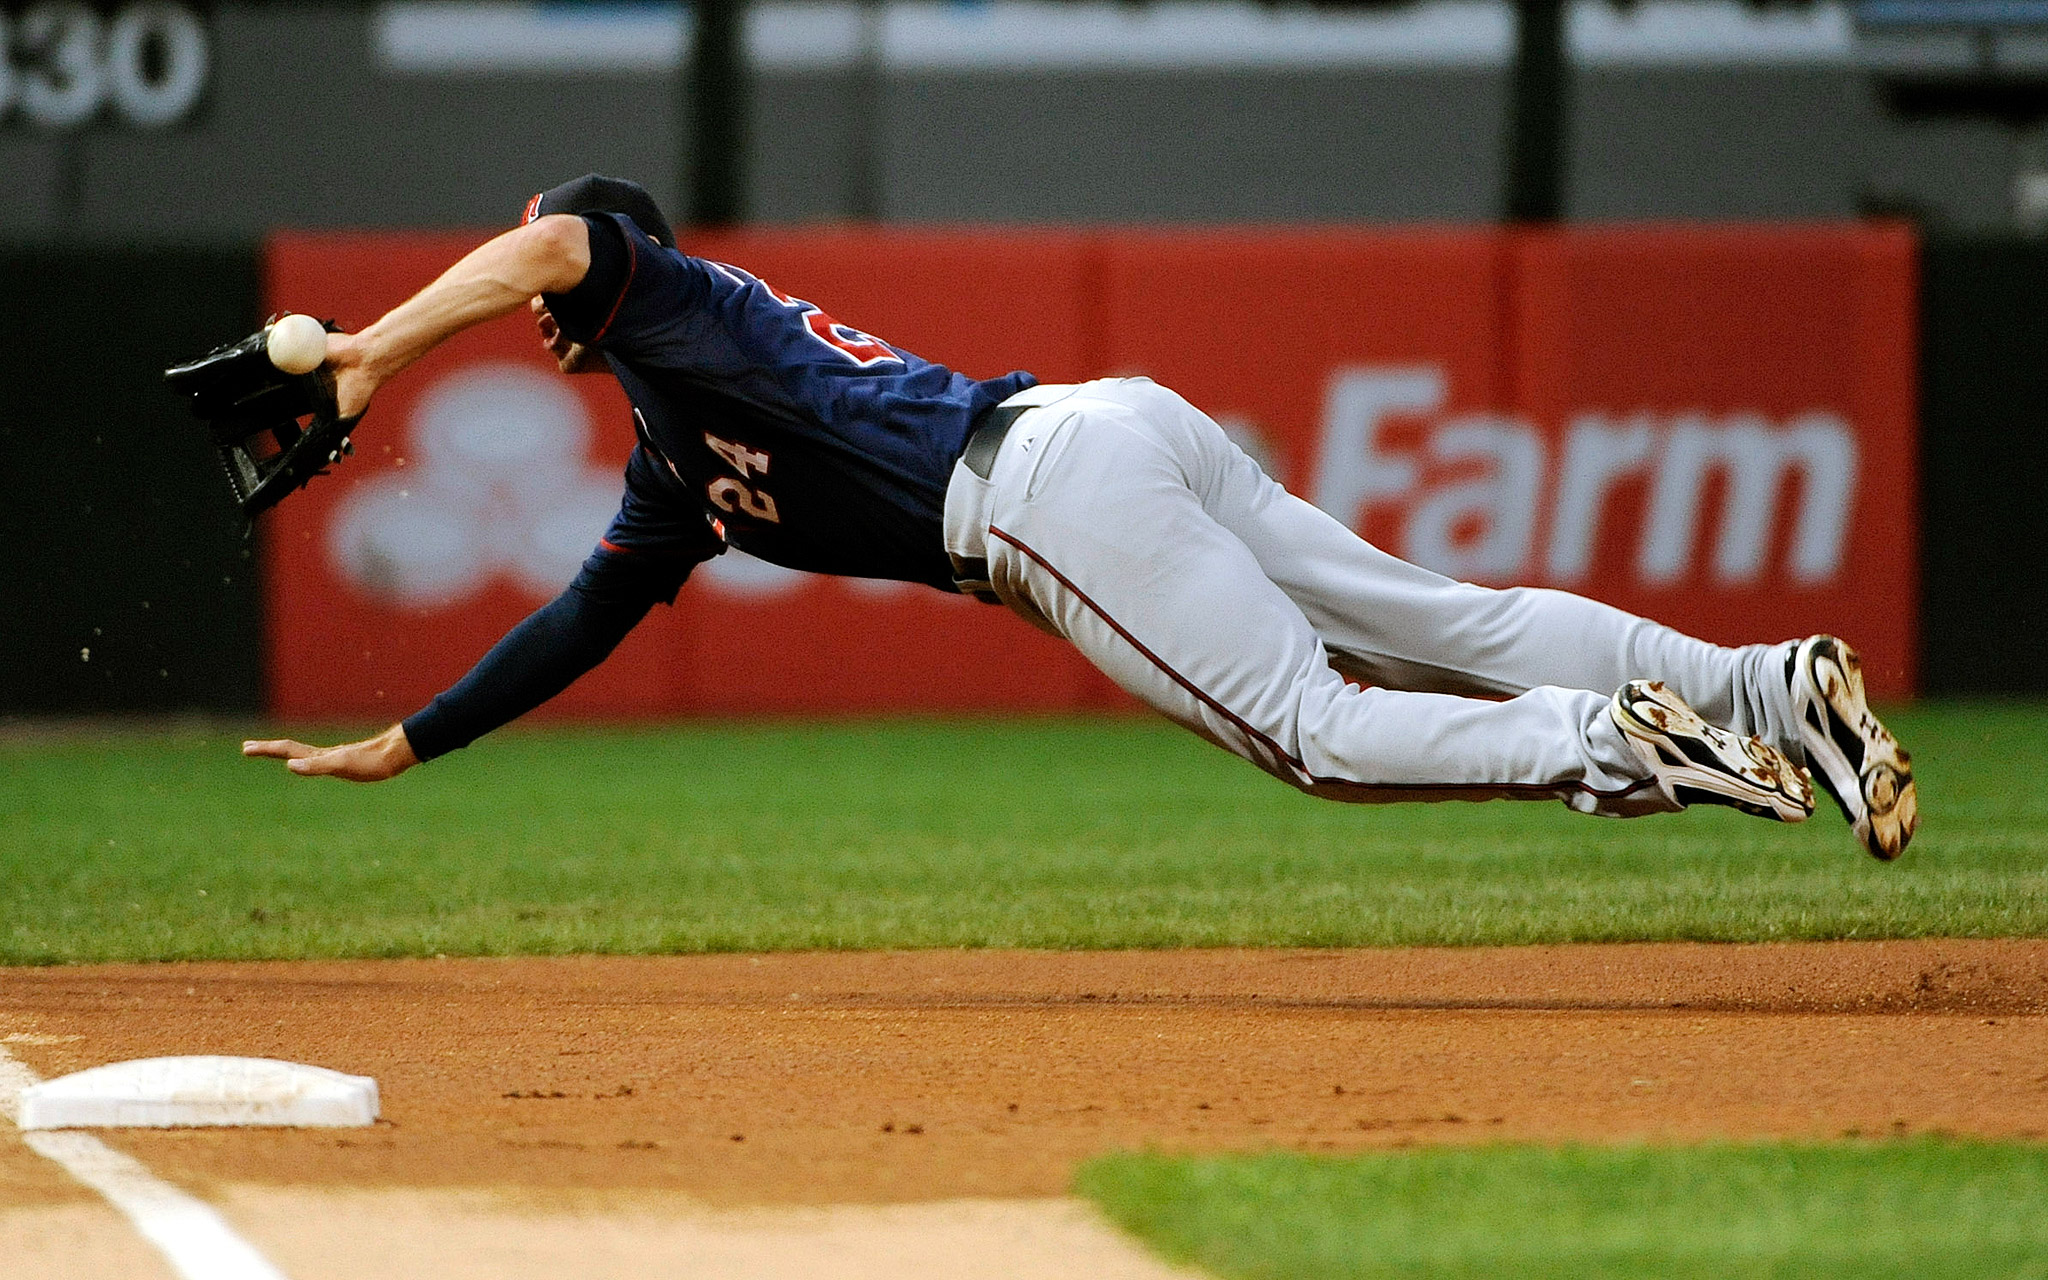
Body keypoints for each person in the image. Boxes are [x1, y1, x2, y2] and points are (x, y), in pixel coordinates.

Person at [243, 175, 1918, 861]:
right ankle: (1771, 686)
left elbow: (551, 248)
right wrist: (416, 738)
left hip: (1030, 496)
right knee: (1431, 620)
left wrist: (378, 345)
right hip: (1103, 429)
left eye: (552, 265)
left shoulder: (667, 296)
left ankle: (1625, 739)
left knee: (1318, 735)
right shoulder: (676, 459)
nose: (532, 291)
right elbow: (583, 618)